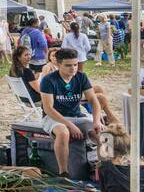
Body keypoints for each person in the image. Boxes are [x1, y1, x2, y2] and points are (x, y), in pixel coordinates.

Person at [38, 47, 100, 176]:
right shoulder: (48, 80)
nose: (73, 68)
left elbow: (93, 100)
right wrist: (69, 125)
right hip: (53, 117)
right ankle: (63, 172)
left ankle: (105, 167)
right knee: (63, 133)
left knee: (103, 133)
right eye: (68, 65)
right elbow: (48, 108)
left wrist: (96, 121)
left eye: (75, 64)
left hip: (77, 115)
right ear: (58, 64)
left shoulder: (81, 76)